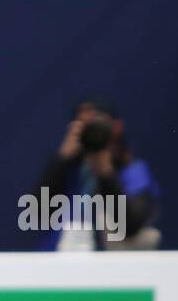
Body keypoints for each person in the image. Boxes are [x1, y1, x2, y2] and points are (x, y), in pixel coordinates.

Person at [35, 98, 161, 250]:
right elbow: (34, 216)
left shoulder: (133, 171)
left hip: (108, 265)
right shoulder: (67, 169)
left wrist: (105, 173)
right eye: (85, 127)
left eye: (97, 126)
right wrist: (61, 160)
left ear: (117, 127)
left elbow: (129, 227)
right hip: (58, 258)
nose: (91, 133)